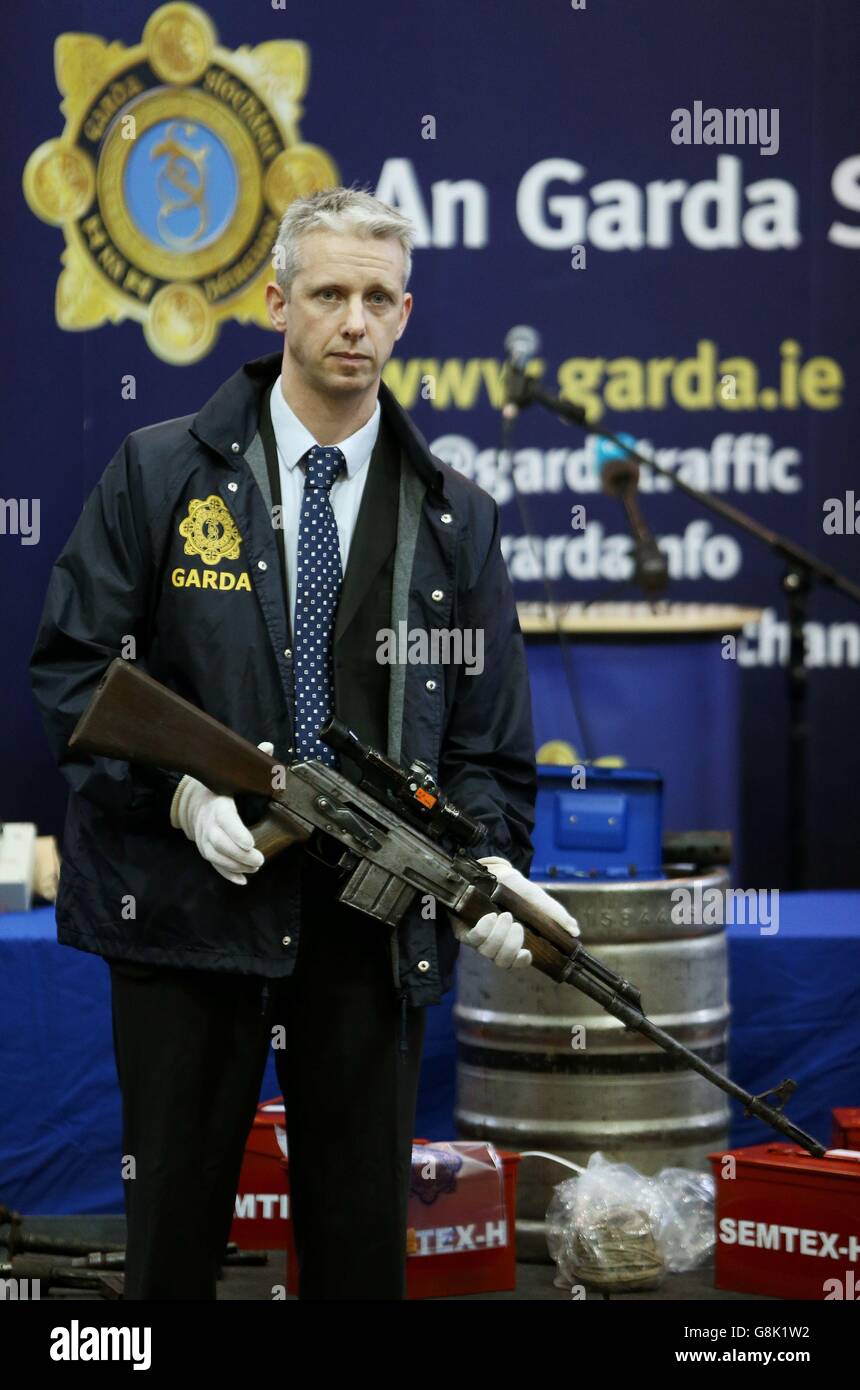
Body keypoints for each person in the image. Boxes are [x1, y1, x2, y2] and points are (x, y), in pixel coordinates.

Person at [29, 186, 579, 1301]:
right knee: (170, 1241)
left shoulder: (452, 515)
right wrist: (181, 790)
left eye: (378, 297)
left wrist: (490, 864)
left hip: (370, 941)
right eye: (328, 293)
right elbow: (76, 669)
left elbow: (485, 737)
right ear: (276, 301)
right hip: (187, 916)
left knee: (358, 1246)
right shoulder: (160, 471)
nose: (353, 322)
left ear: (407, 312)